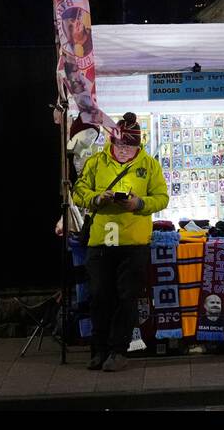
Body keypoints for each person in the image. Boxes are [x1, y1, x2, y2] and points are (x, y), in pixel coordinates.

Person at [72, 112, 168, 371]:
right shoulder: (96, 162)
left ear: (139, 146)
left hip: (133, 244)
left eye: (130, 146)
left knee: (127, 298)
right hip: (101, 242)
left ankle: (118, 351)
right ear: (112, 142)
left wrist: (139, 203)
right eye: (120, 145)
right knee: (100, 296)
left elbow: (162, 198)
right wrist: (96, 198)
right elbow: (78, 191)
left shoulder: (149, 166)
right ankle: (99, 349)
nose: (124, 150)